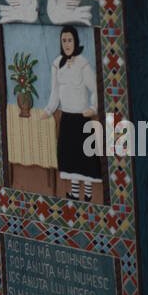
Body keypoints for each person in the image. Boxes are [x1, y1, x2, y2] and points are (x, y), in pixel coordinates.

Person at [38, 25, 101, 202]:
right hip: (67, 117)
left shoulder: (82, 64)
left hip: (82, 118)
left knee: (85, 157)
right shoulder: (57, 64)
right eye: (64, 40)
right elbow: (55, 92)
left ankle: (88, 194)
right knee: (69, 156)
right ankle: (74, 193)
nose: (67, 44)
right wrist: (49, 110)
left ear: (75, 41)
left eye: (70, 40)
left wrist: (93, 108)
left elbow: (95, 88)